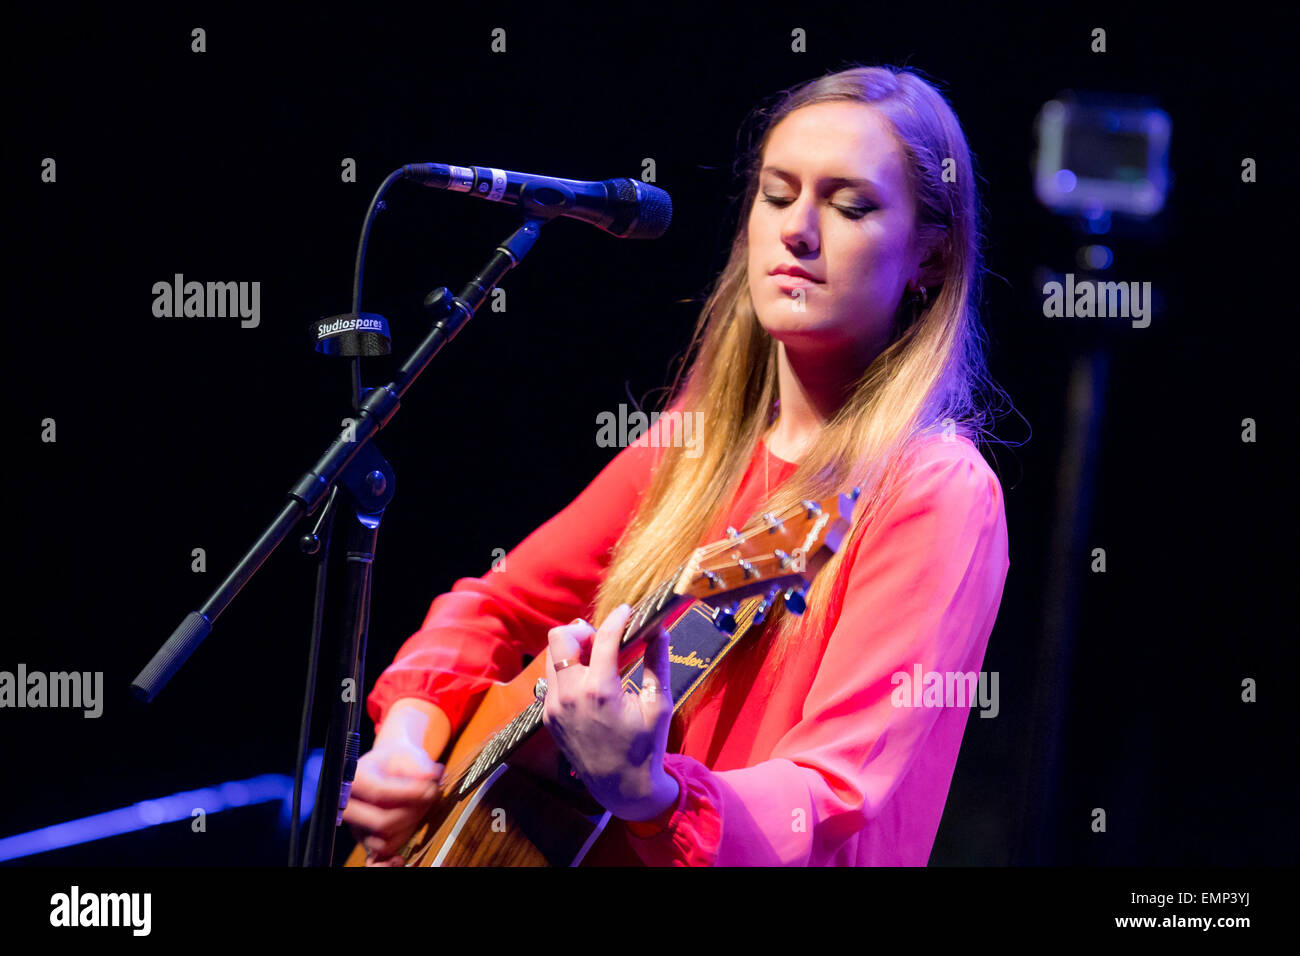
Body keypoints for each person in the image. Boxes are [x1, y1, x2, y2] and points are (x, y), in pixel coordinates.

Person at [343, 63, 1012, 866]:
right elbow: (490, 607)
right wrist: (409, 744)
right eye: (777, 194)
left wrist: (649, 794)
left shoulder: (934, 488)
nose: (798, 229)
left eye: (849, 204)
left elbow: (834, 792)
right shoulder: (698, 448)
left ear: (932, 258)